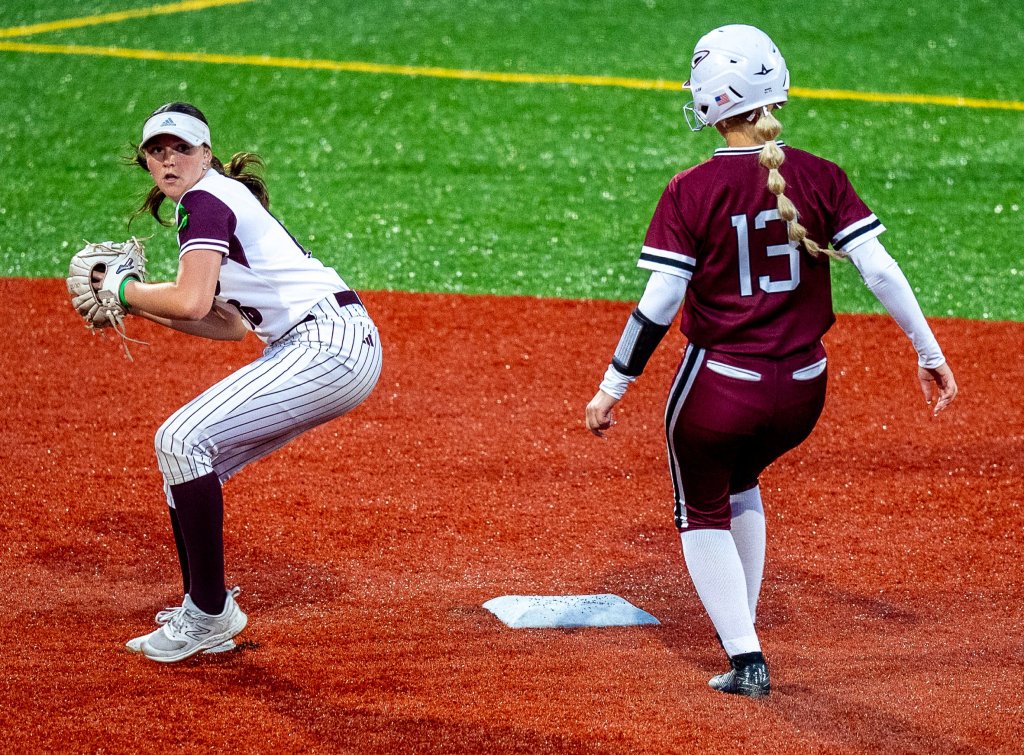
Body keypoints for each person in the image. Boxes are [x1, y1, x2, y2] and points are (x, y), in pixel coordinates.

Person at [585, 25, 957, 698]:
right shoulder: (821, 175)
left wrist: (614, 384)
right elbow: (880, 270)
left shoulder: (690, 190)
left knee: (700, 508)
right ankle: (743, 628)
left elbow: (662, 299)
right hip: (804, 391)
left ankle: (746, 655)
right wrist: (928, 351)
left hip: (722, 392)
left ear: (710, 100)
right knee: (742, 480)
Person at [110, 102, 383, 662]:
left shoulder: (206, 201)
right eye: (157, 150)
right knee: (183, 464)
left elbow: (188, 300)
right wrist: (135, 305)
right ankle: (203, 609)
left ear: (204, 154)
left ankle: (208, 614)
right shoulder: (211, 201)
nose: (168, 159)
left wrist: (122, 291)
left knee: (180, 439)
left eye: (181, 148)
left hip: (325, 345)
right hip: (325, 344)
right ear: (145, 160)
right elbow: (228, 323)